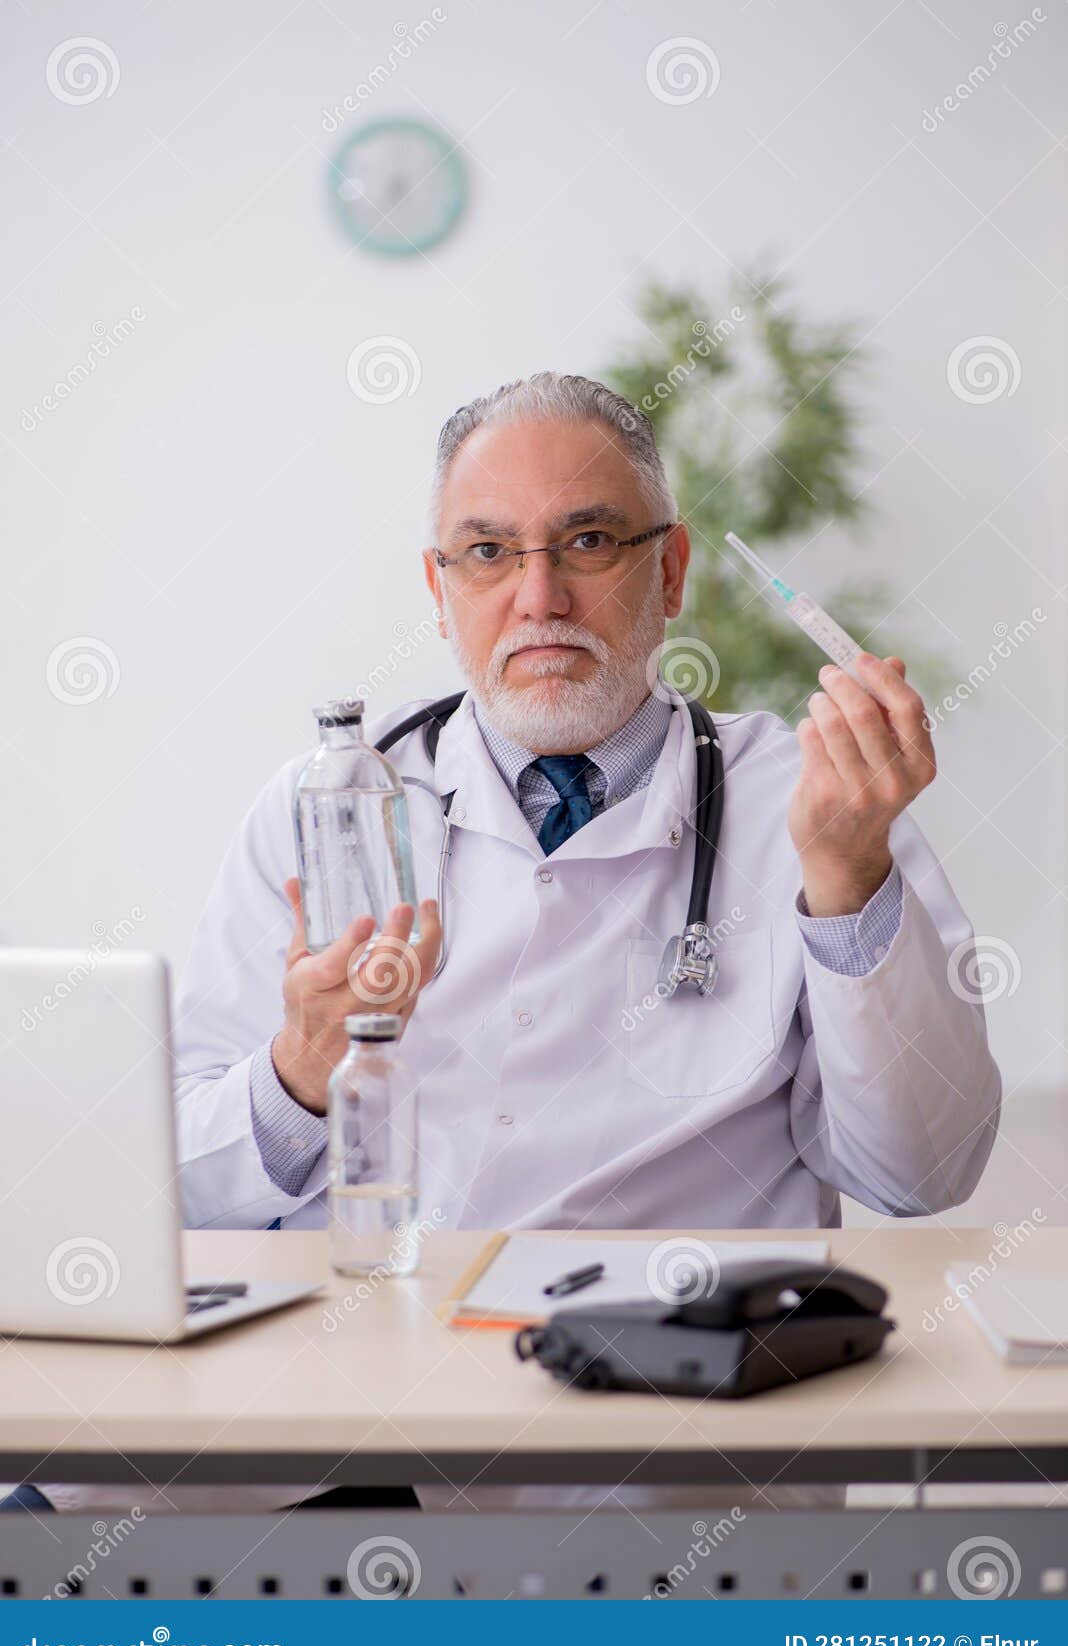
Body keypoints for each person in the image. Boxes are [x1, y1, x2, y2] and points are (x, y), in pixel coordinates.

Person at [31, 372, 1001, 1517]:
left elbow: (924, 1172)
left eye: (586, 540)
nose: (538, 595)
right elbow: (172, 1195)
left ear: (671, 570)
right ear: (438, 592)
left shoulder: (820, 804)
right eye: (487, 553)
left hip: (648, 1458)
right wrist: (293, 1077)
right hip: (318, 1432)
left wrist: (846, 885)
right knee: (54, 1545)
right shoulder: (329, 804)